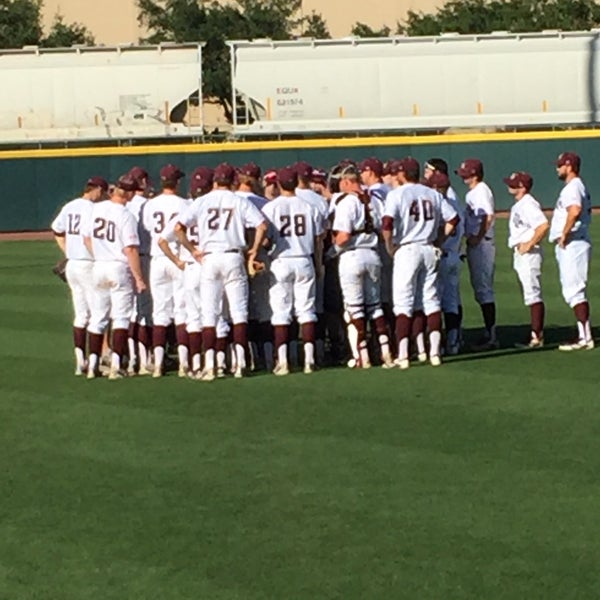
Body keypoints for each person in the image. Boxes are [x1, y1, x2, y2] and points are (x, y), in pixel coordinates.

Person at [175, 162, 268, 381]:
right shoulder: (238, 200)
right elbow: (262, 225)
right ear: (233, 181)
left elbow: (178, 228)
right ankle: (240, 363)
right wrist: (253, 250)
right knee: (238, 313)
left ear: (215, 180)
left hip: (210, 257)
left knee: (209, 313)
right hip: (234, 254)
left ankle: (210, 366)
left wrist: (192, 250)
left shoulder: (202, 201)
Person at [382, 157, 458, 369]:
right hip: (428, 248)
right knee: (431, 301)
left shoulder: (396, 194)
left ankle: (404, 356)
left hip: (407, 249)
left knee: (404, 304)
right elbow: (453, 220)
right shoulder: (432, 193)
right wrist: (439, 240)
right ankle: (434, 353)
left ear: (403, 174)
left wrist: (389, 247)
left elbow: (387, 223)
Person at [330, 163, 394, 369]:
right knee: (375, 307)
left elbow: (343, 236)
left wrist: (331, 250)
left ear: (348, 181)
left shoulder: (346, 201)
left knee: (354, 309)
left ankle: (361, 356)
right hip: (373, 254)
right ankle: (385, 352)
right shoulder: (374, 199)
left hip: (352, 256)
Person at [83, 174, 146, 379]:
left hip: (99, 266)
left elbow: (86, 239)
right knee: (120, 318)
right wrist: (138, 278)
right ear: (128, 193)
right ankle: (116, 366)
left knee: (98, 318)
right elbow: (130, 250)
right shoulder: (126, 214)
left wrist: (100, 255)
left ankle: (93, 365)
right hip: (118, 267)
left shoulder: (96, 208)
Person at [262, 166, 324, 375]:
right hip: (304, 258)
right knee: (307, 311)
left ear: (279, 183)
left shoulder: (271, 208)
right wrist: (317, 263)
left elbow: (265, 239)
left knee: (281, 313)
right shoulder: (309, 206)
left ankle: (283, 362)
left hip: (281, 260)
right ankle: (309, 360)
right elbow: (318, 240)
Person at [51, 176, 108, 375]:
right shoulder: (92, 209)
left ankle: (79, 363)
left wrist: (67, 252)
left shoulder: (69, 206)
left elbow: (57, 230)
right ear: (98, 189)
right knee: (97, 314)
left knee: (81, 315)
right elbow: (88, 239)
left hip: (72, 265)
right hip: (87, 265)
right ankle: (94, 364)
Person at [142, 164, 190, 377]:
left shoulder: (150, 205)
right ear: (177, 182)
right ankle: (183, 363)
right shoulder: (185, 203)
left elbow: (148, 228)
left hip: (157, 259)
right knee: (181, 310)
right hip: (178, 258)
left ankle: (158, 364)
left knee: (160, 312)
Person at [549, 152, 594, 350]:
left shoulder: (573, 187)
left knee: (574, 291)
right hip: (576, 241)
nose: (557, 168)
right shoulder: (576, 186)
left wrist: (565, 234)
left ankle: (585, 338)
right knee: (573, 291)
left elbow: (574, 210)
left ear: (569, 166)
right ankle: (583, 335)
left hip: (574, 242)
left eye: (560, 165)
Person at [456, 158, 498, 349]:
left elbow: (488, 216)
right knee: (480, 290)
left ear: (474, 174)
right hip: (478, 244)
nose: (462, 176)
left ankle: (491, 335)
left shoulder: (481, 190)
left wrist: (478, 236)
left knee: (484, 290)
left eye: (465, 173)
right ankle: (489, 333)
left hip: (482, 245)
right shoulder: (475, 191)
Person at [504, 171, 549, 348]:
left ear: (522, 186)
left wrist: (529, 244)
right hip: (521, 252)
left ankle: (537, 336)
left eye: (513, 183)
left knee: (533, 293)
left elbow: (543, 225)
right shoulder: (520, 204)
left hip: (529, 254)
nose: (509, 185)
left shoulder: (529, 204)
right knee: (529, 293)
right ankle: (535, 334)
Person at [425, 170, 464, 355]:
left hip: (441, 256)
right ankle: (454, 341)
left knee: (434, 302)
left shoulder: (438, 207)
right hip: (455, 256)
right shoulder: (455, 204)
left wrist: (438, 241)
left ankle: (437, 345)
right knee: (451, 302)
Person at [125, 166, 153, 375]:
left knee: (130, 311)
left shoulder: (124, 206)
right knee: (145, 311)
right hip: (144, 258)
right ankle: (145, 360)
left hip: (123, 259)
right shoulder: (147, 205)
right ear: (142, 182)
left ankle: (130, 358)